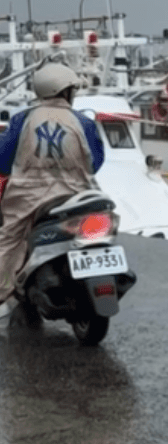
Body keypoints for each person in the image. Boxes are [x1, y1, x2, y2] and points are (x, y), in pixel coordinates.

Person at [0, 62, 104, 318]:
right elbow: (96, 161)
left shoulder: (21, 119)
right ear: (66, 92)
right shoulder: (83, 122)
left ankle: (3, 289)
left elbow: (3, 161)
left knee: (9, 240)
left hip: (28, 195)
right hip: (76, 194)